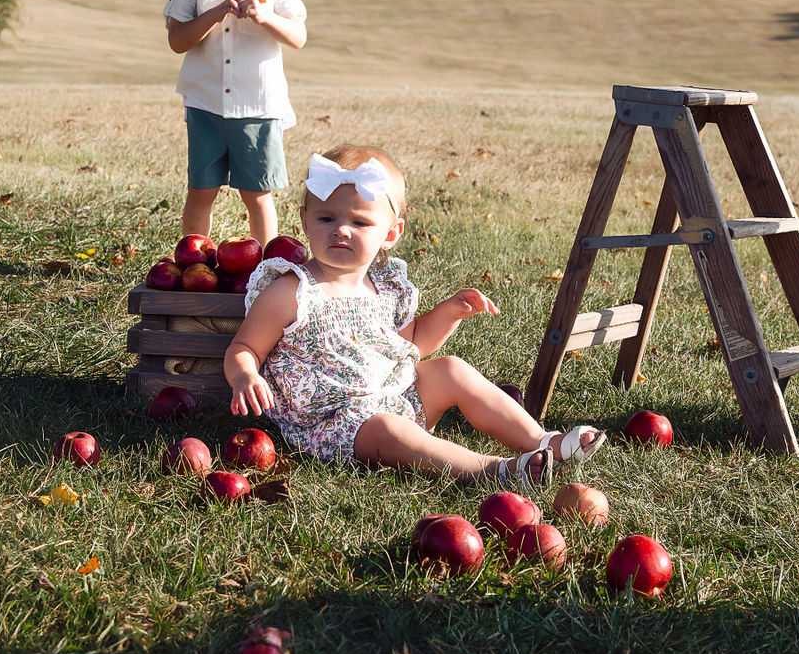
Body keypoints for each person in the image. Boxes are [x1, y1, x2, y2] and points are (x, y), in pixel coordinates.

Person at [223, 145, 605, 488]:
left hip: (395, 395)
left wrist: (450, 312)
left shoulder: (385, 287)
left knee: (451, 368)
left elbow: (411, 344)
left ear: (390, 234)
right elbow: (244, 346)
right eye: (326, 218)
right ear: (305, 222)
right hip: (335, 423)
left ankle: (543, 442)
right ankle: (491, 469)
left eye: (359, 222)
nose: (341, 230)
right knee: (387, 428)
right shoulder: (292, 291)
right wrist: (245, 374)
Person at [165, 0, 307, 245]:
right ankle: (195, 260)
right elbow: (177, 41)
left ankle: (265, 268)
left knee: (257, 195)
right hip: (206, 103)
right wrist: (213, 14)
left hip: (258, 106)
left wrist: (264, 18)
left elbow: (298, 35)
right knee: (200, 192)